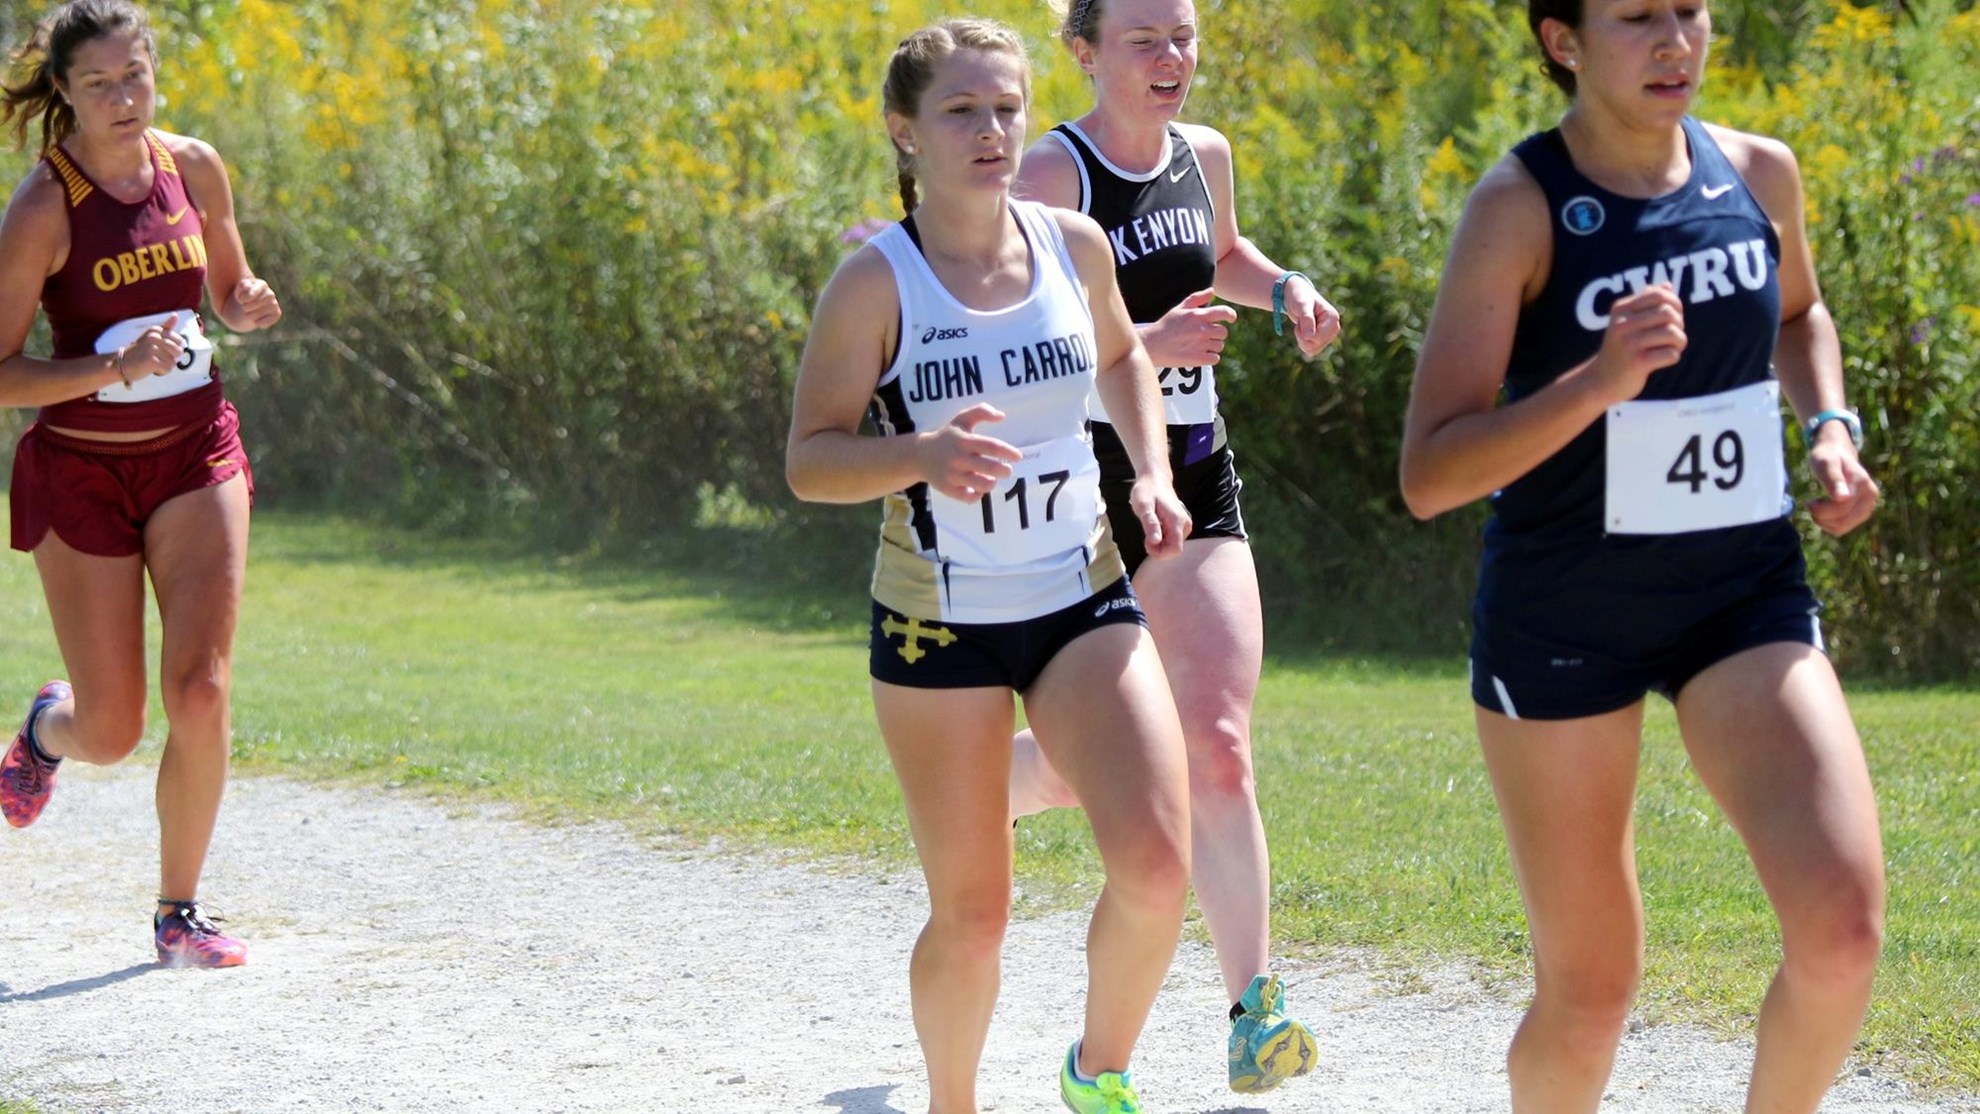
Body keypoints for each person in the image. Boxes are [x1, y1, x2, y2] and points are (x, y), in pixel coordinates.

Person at [1398, 2, 1884, 1110]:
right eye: (1635, 18)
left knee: (1843, 927)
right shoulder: (1519, 209)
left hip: (1739, 597)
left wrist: (1831, 427)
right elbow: (1430, 473)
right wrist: (1597, 383)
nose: (1674, 42)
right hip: (1566, 617)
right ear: (1562, 39)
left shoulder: (1758, 172)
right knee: (1592, 989)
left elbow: (1801, 318)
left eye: (1690, 11)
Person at [786, 18, 1195, 1114]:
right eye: (962, 111)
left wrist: (1149, 472)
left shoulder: (1075, 243)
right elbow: (809, 461)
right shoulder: (877, 284)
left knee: (1158, 863)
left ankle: (1097, 1073)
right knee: (974, 914)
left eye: (1007, 108)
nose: (992, 131)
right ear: (905, 131)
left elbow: (1120, 357)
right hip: (939, 625)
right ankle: (950, 1101)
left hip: (1083, 593)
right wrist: (920, 453)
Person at [1003, 0, 1342, 1093]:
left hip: (1195, 475)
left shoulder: (1206, 154)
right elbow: (1005, 348)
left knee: (1217, 745)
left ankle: (1255, 1009)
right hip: (1083, 495)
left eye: (1184, 37)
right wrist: (1145, 345)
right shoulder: (1052, 179)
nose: (1171, 60)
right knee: (1100, 769)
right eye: (1143, 40)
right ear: (1084, 51)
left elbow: (1224, 252)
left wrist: (1283, 286)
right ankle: (977, 787)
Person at [0, 0, 283, 968]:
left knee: (201, 690)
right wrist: (107, 372)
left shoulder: (194, 167)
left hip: (196, 450)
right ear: (66, 94)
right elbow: (0, 373)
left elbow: (229, 290)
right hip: (82, 469)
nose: (123, 99)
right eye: (98, 84)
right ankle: (46, 729)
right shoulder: (43, 208)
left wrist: (244, 305)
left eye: (136, 76)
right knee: (113, 729)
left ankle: (179, 912)